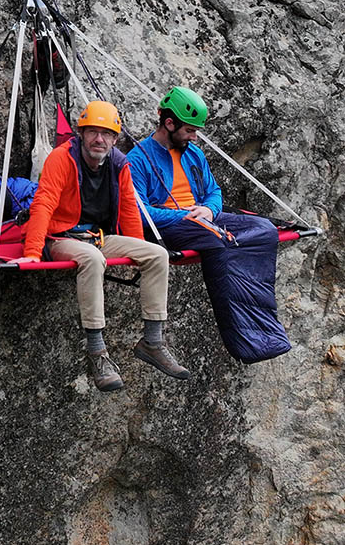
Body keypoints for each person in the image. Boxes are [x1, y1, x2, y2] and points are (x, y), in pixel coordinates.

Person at [16, 100, 189, 392]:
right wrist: (33, 252)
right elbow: (43, 204)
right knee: (92, 258)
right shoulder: (62, 158)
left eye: (107, 133)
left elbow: (129, 210)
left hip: (97, 236)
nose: (100, 139)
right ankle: (97, 353)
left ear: (115, 138)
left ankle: (153, 341)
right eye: (93, 132)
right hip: (61, 237)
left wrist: (136, 250)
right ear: (81, 134)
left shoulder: (119, 163)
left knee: (157, 254)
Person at [126, 87, 289, 362]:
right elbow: (140, 214)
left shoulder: (193, 154)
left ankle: (265, 333)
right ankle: (243, 339)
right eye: (189, 130)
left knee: (264, 230)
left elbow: (213, 192)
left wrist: (208, 211)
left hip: (202, 219)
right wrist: (185, 216)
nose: (194, 137)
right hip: (168, 225)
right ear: (169, 123)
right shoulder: (138, 159)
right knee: (217, 241)